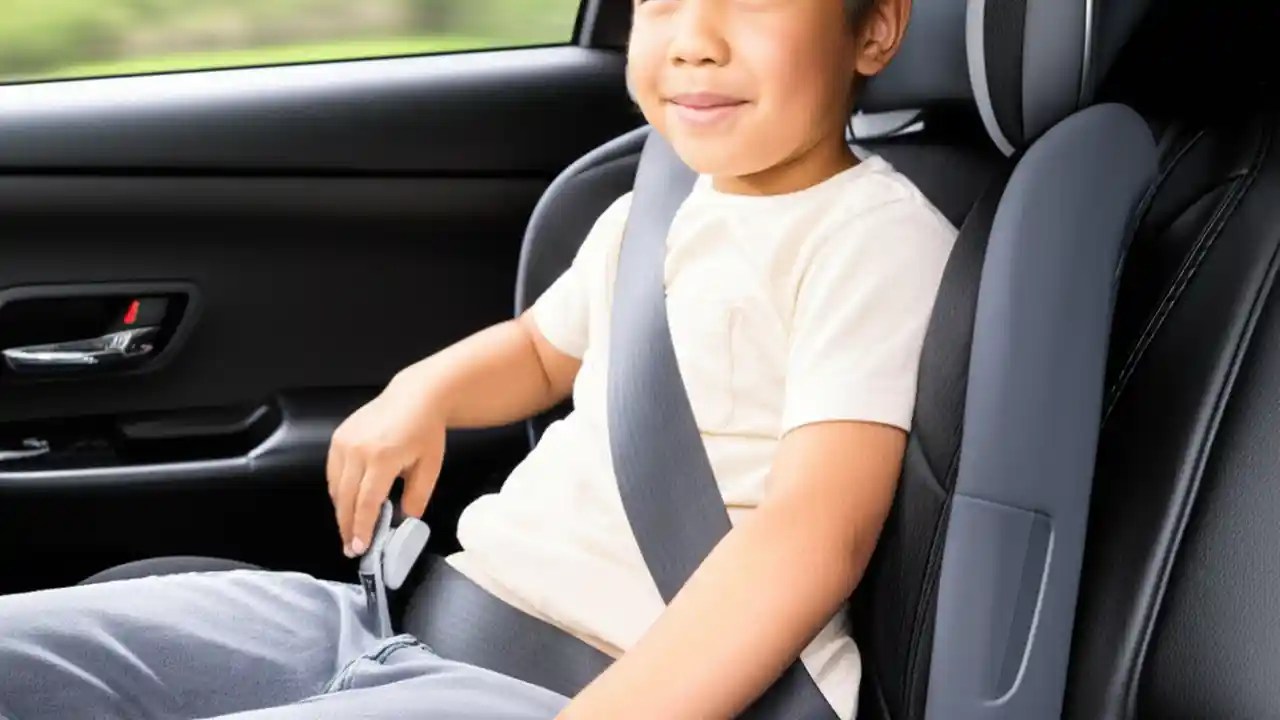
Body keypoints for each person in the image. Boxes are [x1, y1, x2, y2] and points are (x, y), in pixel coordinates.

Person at [0, 0, 953, 718]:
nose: (694, 38)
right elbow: (542, 349)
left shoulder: (872, 238)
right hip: (410, 621)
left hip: (599, 678)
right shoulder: (660, 205)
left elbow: (811, 533)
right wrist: (423, 393)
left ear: (874, 29)